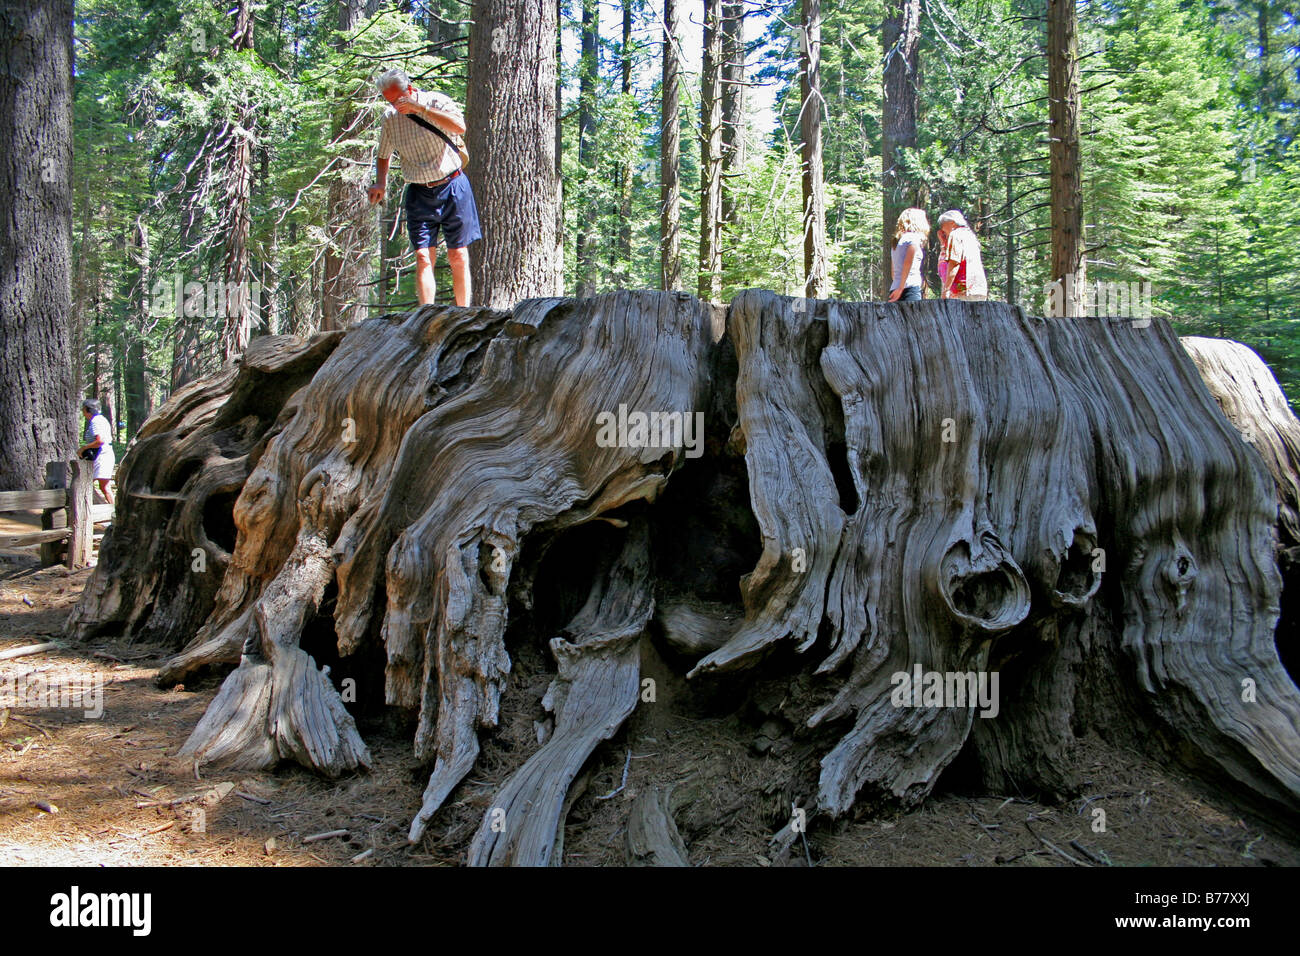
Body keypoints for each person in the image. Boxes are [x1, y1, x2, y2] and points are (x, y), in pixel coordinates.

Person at [368, 69, 481, 306]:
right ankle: (426, 313)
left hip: (452, 186)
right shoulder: (389, 118)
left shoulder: (435, 101)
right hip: (419, 192)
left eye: (398, 99)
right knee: (422, 256)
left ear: (409, 90)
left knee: (458, 254)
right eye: (389, 100)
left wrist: (421, 110)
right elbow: (383, 154)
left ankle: (463, 313)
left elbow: (459, 127)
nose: (394, 105)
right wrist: (380, 182)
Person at [937, 210, 988, 301]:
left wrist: (946, 289)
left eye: (943, 226)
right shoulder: (970, 235)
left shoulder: (955, 234)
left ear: (952, 223)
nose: (942, 230)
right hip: (978, 288)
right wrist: (943, 243)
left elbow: (954, 262)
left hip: (964, 289)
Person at [888, 207, 930, 303]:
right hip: (909, 288)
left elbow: (893, 271)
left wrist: (898, 287)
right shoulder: (913, 238)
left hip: (895, 288)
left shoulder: (897, 241)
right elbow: (908, 262)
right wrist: (901, 288)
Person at [78, 399, 115, 505]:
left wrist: (83, 448)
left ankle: (86, 508)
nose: (83, 412)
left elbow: (99, 441)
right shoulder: (100, 419)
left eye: (83, 409)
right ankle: (113, 510)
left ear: (88, 410)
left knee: (87, 483)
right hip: (104, 454)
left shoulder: (96, 421)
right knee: (104, 487)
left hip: (101, 455)